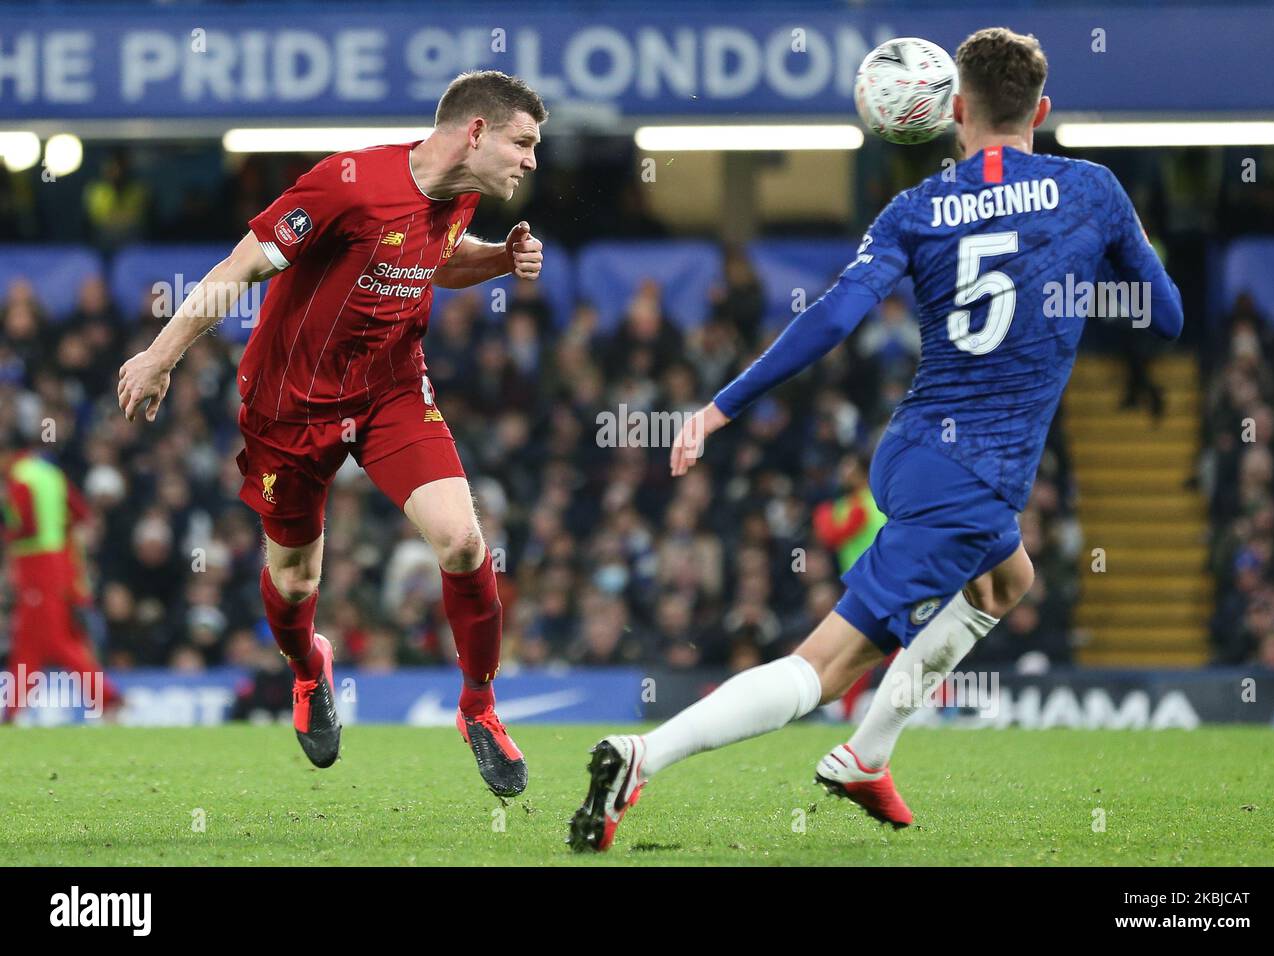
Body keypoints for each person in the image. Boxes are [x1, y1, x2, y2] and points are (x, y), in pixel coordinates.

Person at [569, 28, 1183, 851]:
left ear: (953, 112)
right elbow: (1168, 317)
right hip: (975, 472)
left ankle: (867, 755)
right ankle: (642, 756)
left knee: (1006, 582)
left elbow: (830, 318)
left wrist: (720, 408)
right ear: (1041, 109)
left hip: (914, 450)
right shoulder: (1094, 190)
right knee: (823, 668)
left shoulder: (915, 209)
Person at [117, 70, 547, 797]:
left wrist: (501, 257)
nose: (532, 160)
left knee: (466, 541)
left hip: (389, 392)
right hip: (291, 405)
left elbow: (437, 259)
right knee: (295, 583)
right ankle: (311, 670)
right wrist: (161, 356)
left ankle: (478, 707)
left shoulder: (461, 194)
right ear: (476, 131)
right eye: (524, 142)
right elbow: (240, 267)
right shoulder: (347, 183)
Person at [1, 434, 121, 721]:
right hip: (60, 565)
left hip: (35, 567)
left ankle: (108, 697)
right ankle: (12, 712)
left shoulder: (20, 479)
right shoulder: (50, 473)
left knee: (55, 642)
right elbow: (79, 513)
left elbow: (24, 526)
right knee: (29, 642)